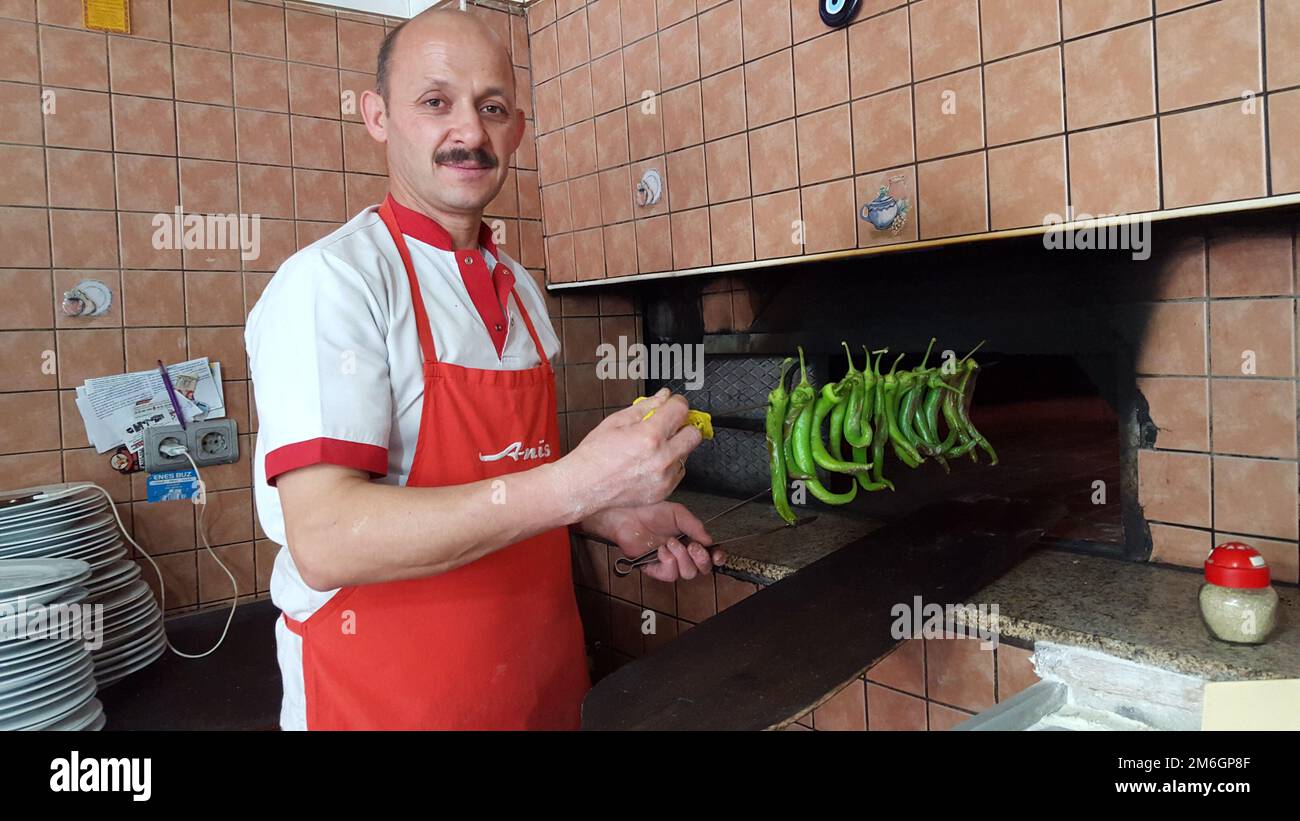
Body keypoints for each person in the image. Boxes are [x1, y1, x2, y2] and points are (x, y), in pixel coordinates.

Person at [244, 7, 721, 731]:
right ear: (378, 116)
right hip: (384, 701)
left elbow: (506, 477)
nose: (469, 131)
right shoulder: (332, 283)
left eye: (492, 108)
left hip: (539, 686)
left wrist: (603, 513)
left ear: (517, 129)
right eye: (436, 102)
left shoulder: (520, 287)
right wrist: (577, 483)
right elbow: (327, 537)